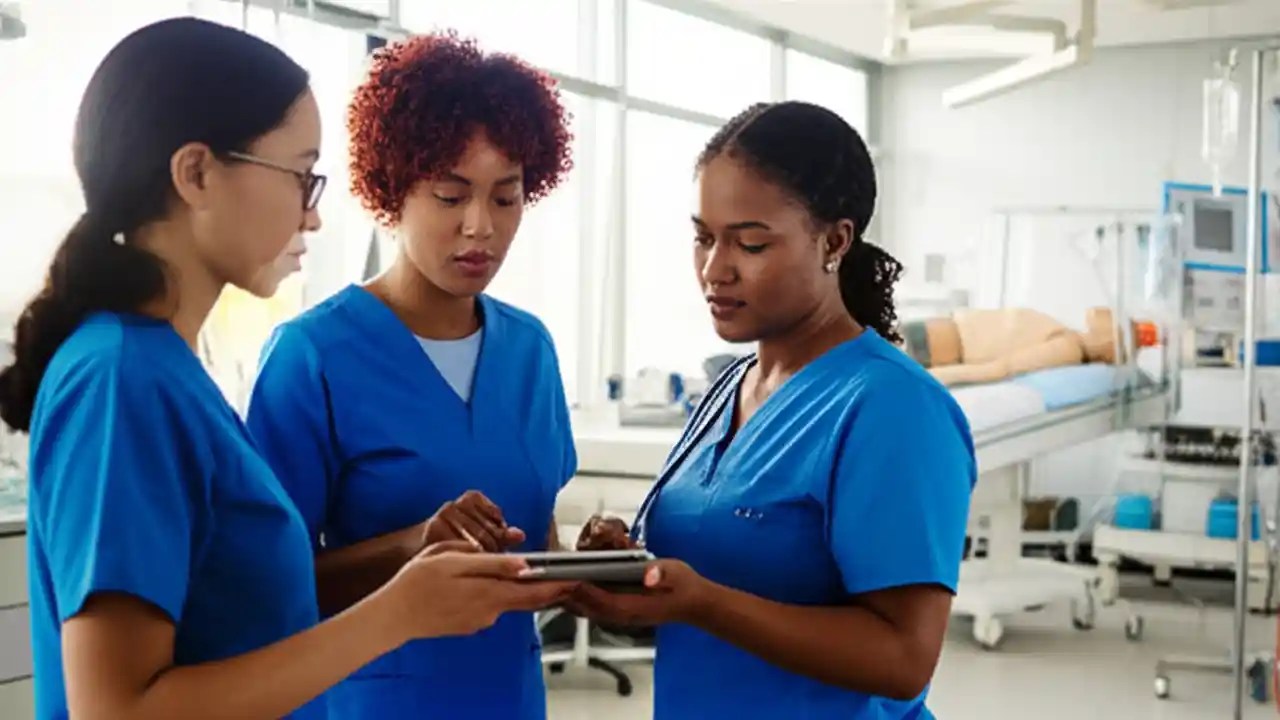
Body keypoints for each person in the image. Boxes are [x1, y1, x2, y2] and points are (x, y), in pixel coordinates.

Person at [0, 18, 571, 720]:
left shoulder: (166, 375)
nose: (313, 216)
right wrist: (398, 610)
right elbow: (118, 709)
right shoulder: (121, 380)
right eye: (300, 176)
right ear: (197, 172)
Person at [571, 101, 977, 719]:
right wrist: (630, 570)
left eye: (751, 243)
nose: (714, 269)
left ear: (834, 241)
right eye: (703, 237)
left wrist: (700, 602)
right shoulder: (730, 389)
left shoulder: (891, 409)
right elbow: (718, 576)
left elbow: (902, 659)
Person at [244, 31, 576, 719]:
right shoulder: (313, 355)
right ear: (393, 190)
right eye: (451, 197)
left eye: (506, 198)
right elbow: (262, 589)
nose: (480, 227)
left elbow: (534, 547)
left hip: (510, 698)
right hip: (369, 702)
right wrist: (412, 544)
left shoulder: (531, 351)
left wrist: (589, 563)